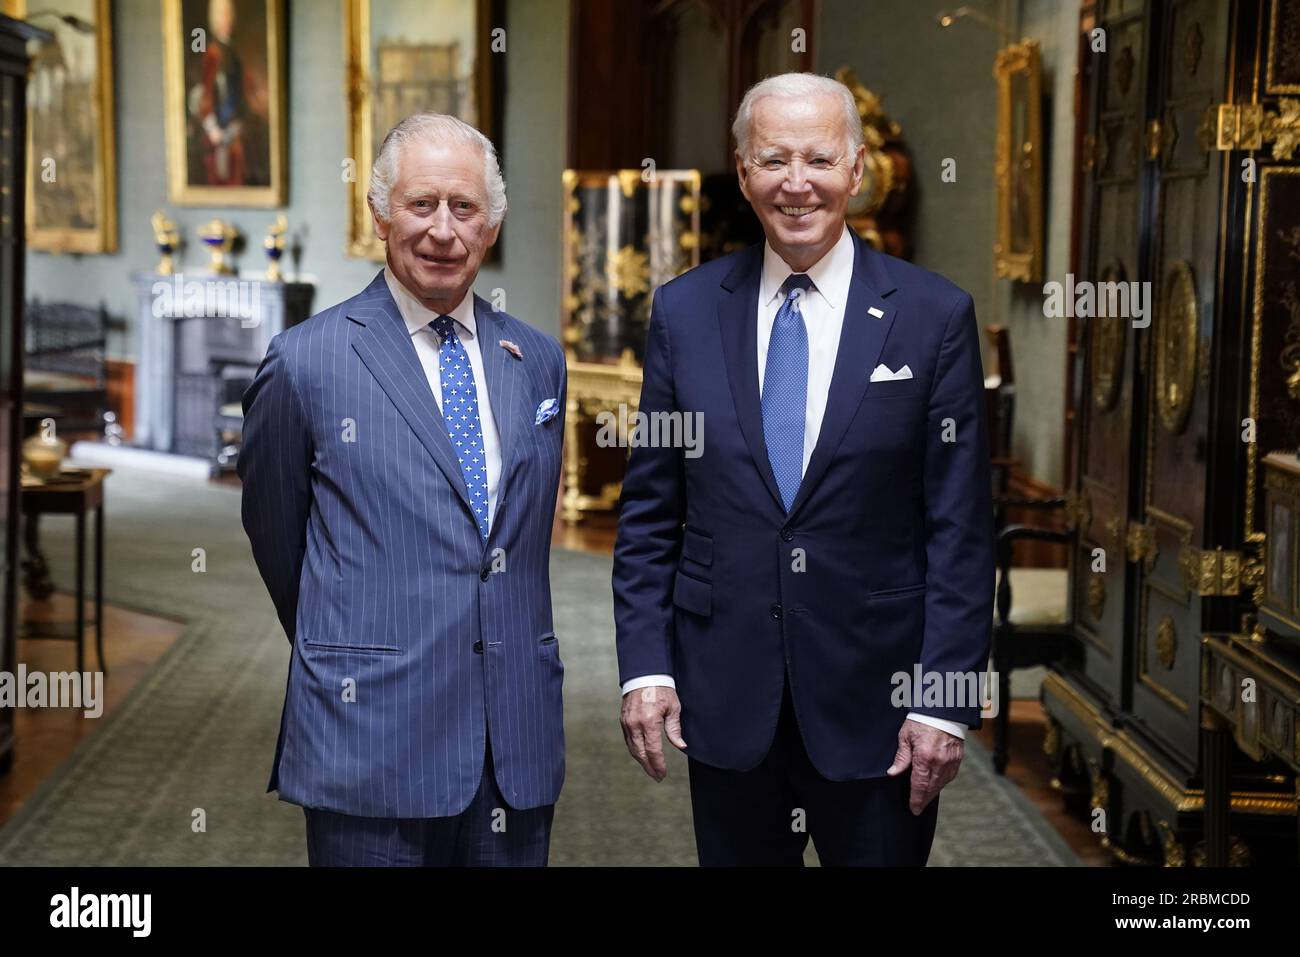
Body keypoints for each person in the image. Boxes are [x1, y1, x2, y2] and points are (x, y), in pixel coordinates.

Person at [612, 72, 995, 866]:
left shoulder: (933, 317)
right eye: (772, 159)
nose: (796, 184)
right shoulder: (683, 313)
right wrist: (645, 666)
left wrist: (946, 700)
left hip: (881, 708)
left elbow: (961, 527)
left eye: (818, 159)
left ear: (857, 172)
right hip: (724, 698)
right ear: (743, 171)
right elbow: (650, 512)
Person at [240, 112, 567, 866]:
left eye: (465, 207)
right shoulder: (306, 363)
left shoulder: (537, 362)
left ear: (493, 223)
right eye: (422, 205)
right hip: (369, 741)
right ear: (380, 212)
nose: (443, 230)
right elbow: (278, 538)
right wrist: (354, 641)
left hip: (513, 744)